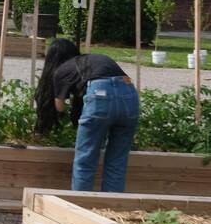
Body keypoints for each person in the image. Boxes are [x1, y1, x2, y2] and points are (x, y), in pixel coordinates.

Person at [35, 38, 138, 192]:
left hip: (99, 95)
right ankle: (112, 206)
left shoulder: (61, 71)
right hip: (129, 94)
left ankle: (80, 205)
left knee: (85, 160)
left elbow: (59, 107)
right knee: (118, 161)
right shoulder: (94, 60)